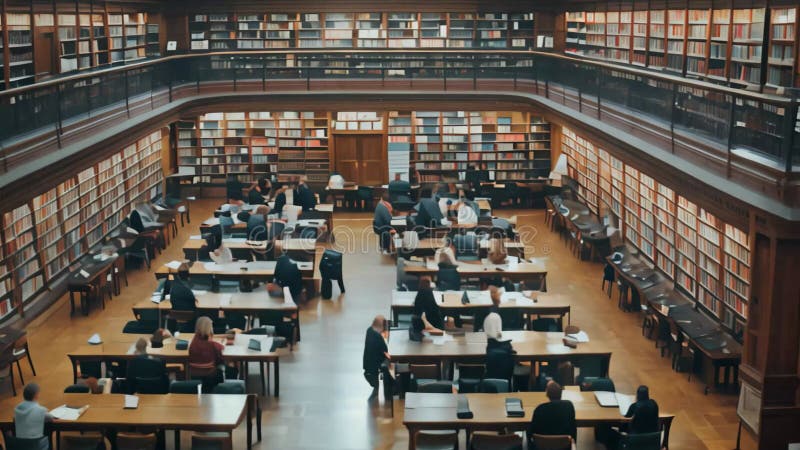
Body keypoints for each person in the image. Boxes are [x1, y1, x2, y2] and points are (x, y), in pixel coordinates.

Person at [527, 381, 577, 446]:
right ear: (561, 393)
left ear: (547, 394)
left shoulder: (540, 409)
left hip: (542, 446)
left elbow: (532, 430)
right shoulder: (569, 406)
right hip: (563, 445)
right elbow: (572, 426)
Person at [189, 316, 225, 391]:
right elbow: (222, 358)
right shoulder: (213, 345)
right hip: (210, 374)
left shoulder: (192, 343)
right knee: (228, 365)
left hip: (193, 373)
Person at [14, 383, 52, 450]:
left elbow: (14, 419)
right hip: (36, 446)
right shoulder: (40, 410)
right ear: (36, 395)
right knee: (48, 428)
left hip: (20, 445)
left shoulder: (17, 408)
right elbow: (51, 418)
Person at [363, 315, 390, 398]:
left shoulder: (369, 330)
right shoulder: (377, 336)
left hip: (368, 368)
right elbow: (385, 351)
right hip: (376, 370)